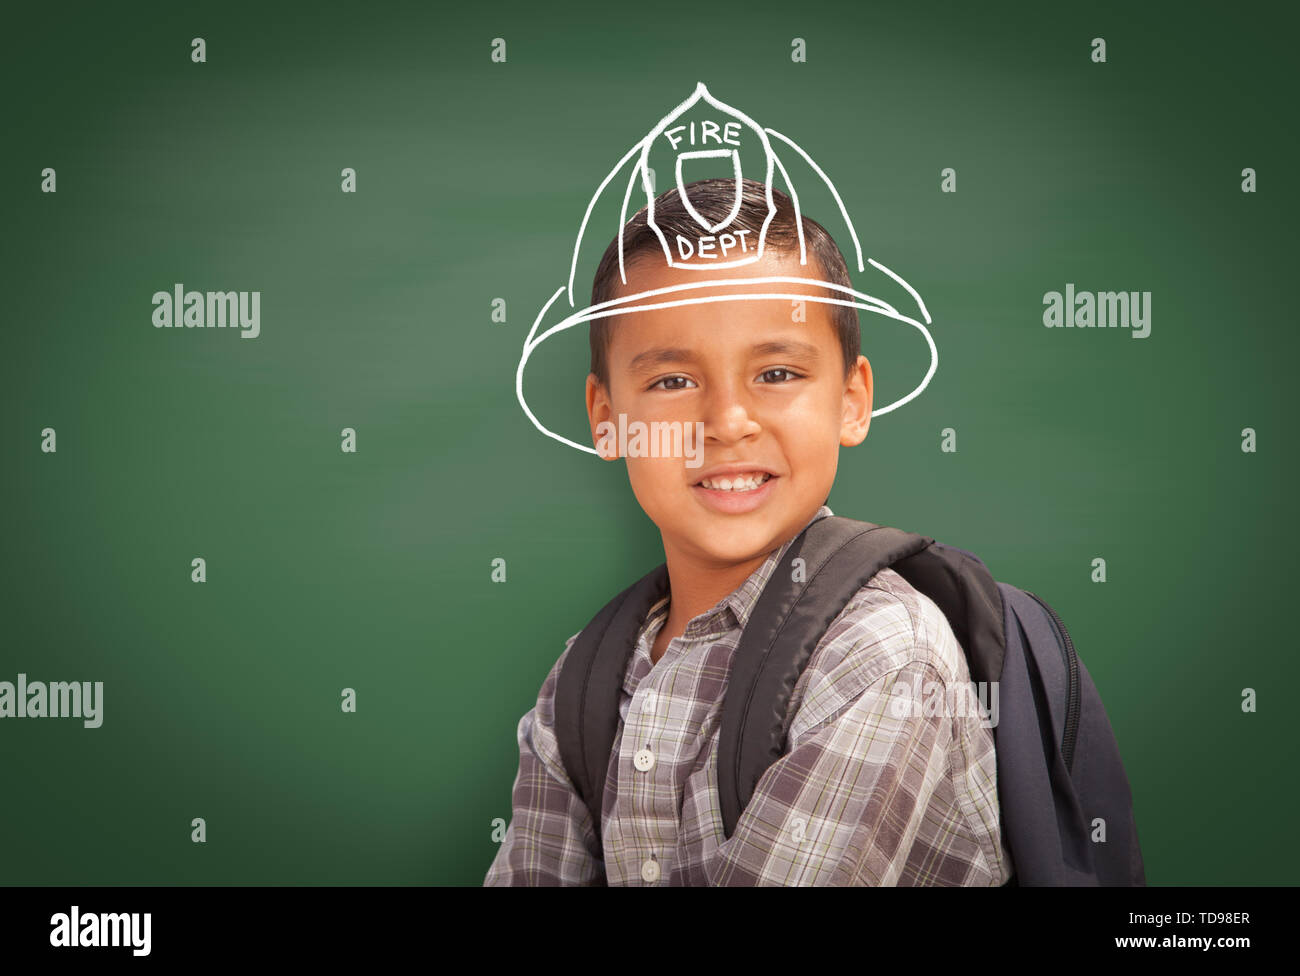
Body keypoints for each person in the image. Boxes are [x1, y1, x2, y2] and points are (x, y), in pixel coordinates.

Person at [485, 177, 1010, 885]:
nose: (728, 421)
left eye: (777, 371)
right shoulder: (580, 685)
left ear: (852, 401)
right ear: (605, 417)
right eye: (672, 381)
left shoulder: (880, 655)